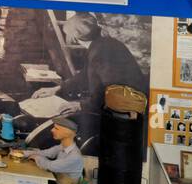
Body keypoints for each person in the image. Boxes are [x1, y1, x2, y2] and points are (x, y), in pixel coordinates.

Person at [58, 13, 147, 141]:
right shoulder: (102, 44)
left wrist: (81, 105)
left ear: (76, 36)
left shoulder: (101, 51)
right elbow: (84, 75)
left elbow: (110, 91)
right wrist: (59, 88)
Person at [14, 116, 83, 184]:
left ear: (67, 133)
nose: (52, 130)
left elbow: (50, 166)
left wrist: (36, 157)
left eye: (56, 128)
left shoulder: (74, 156)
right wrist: (22, 153)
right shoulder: (62, 147)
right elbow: (44, 153)